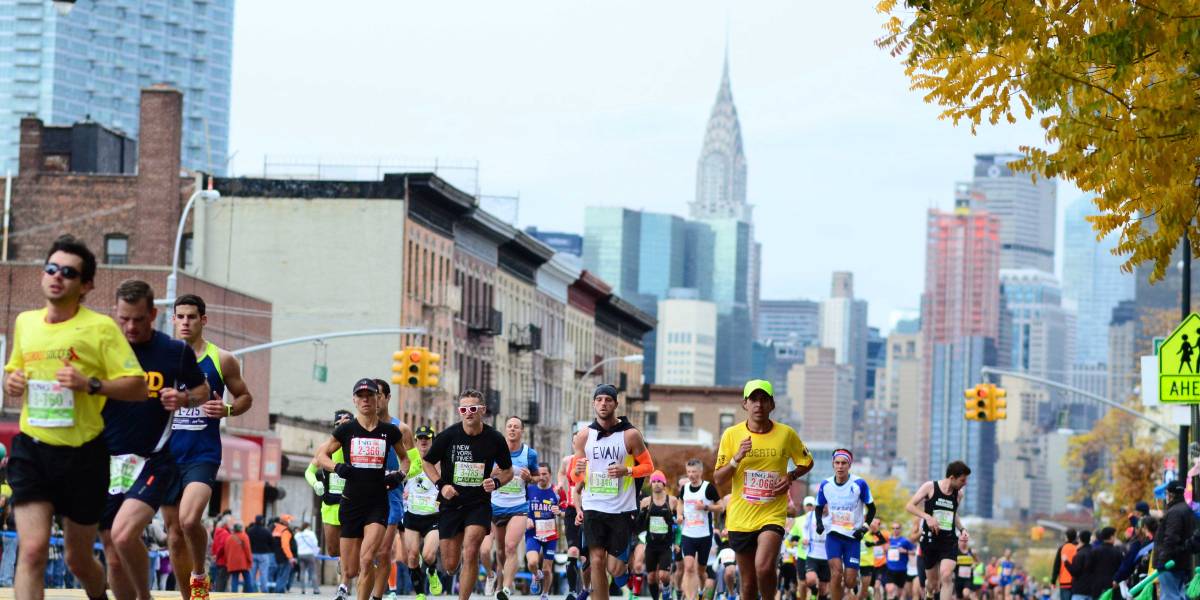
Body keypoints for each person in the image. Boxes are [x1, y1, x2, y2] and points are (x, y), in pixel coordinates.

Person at [3, 235, 149, 600]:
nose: (57, 277)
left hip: (83, 456)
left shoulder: (100, 328)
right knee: (33, 550)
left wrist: (91, 384)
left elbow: (138, 386)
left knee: (77, 558)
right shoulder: (25, 323)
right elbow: (13, 374)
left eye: (68, 272)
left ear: (85, 285)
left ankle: (98, 594)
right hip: (32, 450)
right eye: (51, 269)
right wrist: (12, 382)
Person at [98, 280, 210, 600]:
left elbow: (202, 391)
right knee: (114, 557)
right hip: (107, 461)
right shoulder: (105, 349)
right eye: (124, 319)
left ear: (153, 314)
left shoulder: (174, 352)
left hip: (152, 460)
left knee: (123, 535)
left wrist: (183, 398)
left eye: (138, 319)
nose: (130, 326)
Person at [164, 293, 254, 600]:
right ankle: (188, 596)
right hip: (166, 455)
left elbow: (245, 397)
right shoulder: (164, 356)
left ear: (203, 320)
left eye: (192, 317)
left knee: (189, 520)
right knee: (174, 535)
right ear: (173, 319)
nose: (185, 322)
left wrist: (227, 409)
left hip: (203, 454)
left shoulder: (222, 359)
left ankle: (200, 574)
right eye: (180, 317)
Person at [714, 380, 814, 600]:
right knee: (748, 585)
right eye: (753, 400)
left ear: (771, 405)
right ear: (745, 404)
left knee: (764, 567)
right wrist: (735, 459)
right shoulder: (731, 435)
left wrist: (790, 476)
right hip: (741, 517)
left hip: (772, 513)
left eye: (763, 399)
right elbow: (719, 479)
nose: (758, 404)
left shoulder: (786, 434)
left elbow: (807, 461)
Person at [315, 379, 410, 600]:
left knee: (368, 559)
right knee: (350, 570)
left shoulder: (389, 431)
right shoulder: (347, 429)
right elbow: (321, 456)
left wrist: (400, 475)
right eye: (361, 396)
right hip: (351, 502)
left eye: (370, 395)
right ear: (355, 400)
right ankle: (362, 585)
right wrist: (337, 467)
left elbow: (405, 459)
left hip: (378, 503)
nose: (366, 400)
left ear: (378, 399)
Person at [422, 389, 513, 600]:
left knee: (471, 551)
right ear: (459, 411)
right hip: (451, 504)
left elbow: (508, 471)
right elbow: (427, 462)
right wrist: (441, 485)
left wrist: (496, 482)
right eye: (464, 409)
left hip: (478, 504)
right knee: (451, 565)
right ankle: (438, 570)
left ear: (482, 410)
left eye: (473, 409)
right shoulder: (448, 436)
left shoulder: (495, 439)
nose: (468, 413)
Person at [572, 383, 656, 600]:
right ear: (593, 403)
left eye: (608, 400)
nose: (603, 403)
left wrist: (626, 470)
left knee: (615, 568)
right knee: (596, 559)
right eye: (599, 399)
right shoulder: (583, 436)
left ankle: (623, 570)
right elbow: (575, 476)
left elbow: (648, 467)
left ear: (616, 404)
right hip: (593, 506)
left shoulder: (630, 435)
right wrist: (578, 471)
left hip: (621, 509)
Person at [365, 379, 416, 600]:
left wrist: (398, 476)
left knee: (384, 552)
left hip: (391, 496)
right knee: (365, 554)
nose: (374, 400)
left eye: (378, 395)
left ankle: (377, 596)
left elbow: (416, 464)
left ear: (387, 398)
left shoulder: (401, 429)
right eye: (370, 395)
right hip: (364, 496)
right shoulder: (361, 427)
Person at [815, 449, 875, 600]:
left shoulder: (859, 484)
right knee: (835, 574)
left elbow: (872, 508)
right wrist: (819, 523)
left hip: (852, 537)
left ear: (849, 465)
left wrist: (864, 528)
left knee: (849, 582)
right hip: (833, 534)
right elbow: (818, 506)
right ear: (833, 464)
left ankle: (856, 580)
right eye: (837, 463)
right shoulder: (826, 484)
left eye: (844, 463)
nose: (840, 466)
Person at [905, 461, 971, 600]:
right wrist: (927, 517)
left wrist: (962, 529)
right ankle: (929, 593)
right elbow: (910, 506)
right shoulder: (930, 487)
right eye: (963, 480)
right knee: (933, 584)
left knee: (946, 575)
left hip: (949, 540)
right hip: (930, 540)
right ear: (952, 477)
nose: (965, 483)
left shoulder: (959, 494)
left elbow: (954, 515)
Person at [491, 416, 538, 600]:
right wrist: (491, 473)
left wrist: (529, 479)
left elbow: (536, 477)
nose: (512, 429)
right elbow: (483, 474)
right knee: (501, 551)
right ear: (505, 430)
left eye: (516, 427)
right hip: (496, 505)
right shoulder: (494, 451)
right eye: (509, 426)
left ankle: (507, 589)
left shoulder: (529, 454)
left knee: (511, 547)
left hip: (518, 505)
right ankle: (500, 581)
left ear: (521, 431)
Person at [308, 408, 354, 594]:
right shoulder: (325, 448)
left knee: (347, 549)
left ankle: (344, 583)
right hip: (330, 505)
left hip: (352, 504)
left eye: (347, 425)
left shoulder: (357, 448)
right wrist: (315, 484)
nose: (342, 428)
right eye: (338, 425)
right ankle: (343, 563)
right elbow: (309, 471)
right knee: (334, 550)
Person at [403, 425, 444, 600]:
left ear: (433, 440)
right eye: (420, 438)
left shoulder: (440, 462)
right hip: (412, 514)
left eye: (427, 438)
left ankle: (432, 572)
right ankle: (420, 593)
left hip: (433, 516)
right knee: (412, 557)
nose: (423, 441)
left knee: (428, 555)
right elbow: (399, 475)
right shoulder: (410, 460)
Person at [678, 459, 723, 600]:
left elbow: (721, 507)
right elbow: (680, 502)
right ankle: (692, 597)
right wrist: (679, 514)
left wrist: (706, 507)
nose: (691, 475)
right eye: (689, 472)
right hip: (688, 533)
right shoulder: (685, 488)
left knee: (701, 570)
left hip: (704, 534)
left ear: (700, 472)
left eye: (694, 472)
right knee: (689, 567)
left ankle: (703, 590)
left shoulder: (708, 488)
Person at [639, 471, 679, 600]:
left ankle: (666, 588)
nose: (656, 484)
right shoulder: (646, 501)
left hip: (666, 545)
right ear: (651, 484)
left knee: (663, 575)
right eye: (654, 481)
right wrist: (642, 515)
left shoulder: (672, 501)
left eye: (659, 481)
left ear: (664, 483)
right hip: (650, 544)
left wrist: (677, 542)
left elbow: (679, 524)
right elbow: (639, 525)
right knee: (651, 577)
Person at [526, 462, 562, 600]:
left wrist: (559, 512)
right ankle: (536, 574)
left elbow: (566, 511)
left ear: (550, 475)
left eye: (544, 474)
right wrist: (526, 518)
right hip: (533, 533)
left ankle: (545, 594)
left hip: (550, 534)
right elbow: (521, 506)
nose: (541, 477)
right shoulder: (529, 490)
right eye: (539, 474)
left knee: (547, 569)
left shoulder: (557, 492)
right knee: (532, 563)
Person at [1155, 480, 1195, 600]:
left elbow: (1171, 538)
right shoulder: (1186, 509)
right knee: (1180, 595)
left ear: (1170, 494)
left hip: (1170, 564)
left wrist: (1162, 561)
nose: (1166, 497)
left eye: (1166, 493)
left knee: (1169, 596)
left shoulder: (1174, 512)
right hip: (1182, 562)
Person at [559, 453, 586, 600]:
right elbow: (561, 473)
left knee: (586, 556)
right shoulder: (568, 460)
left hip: (591, 509)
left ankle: (587, 588)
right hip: (571, 509)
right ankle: (572, 590)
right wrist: (560, 486)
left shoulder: (593, 459)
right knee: (573, 550)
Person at [1067, 527, 1122, 600]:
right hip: (1112, 587)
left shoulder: (1095, 551)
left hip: (1096, 588)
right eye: (1115, 536)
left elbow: (1088, 568)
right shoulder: (1117, 552)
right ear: (1111, 537)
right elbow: (1121, 569)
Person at [884, 523, 915, 600]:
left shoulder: (905, 541)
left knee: (899, 593)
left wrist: (905, 551)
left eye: (897, 528)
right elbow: (883, 551)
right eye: (893, 528)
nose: (895, 530)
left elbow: (914, 552)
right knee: (890, 589)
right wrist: (885, 549)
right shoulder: (888, 540)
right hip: (890, 569)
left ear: (900, 529)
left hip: (902, 570)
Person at [859, 519, 887, 600]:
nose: (874, 524)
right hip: (860, 562)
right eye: (873, 522)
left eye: (877, 523)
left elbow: (886, 542)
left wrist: (873, 544)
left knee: (876, 587)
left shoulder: (881, 533)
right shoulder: (862, 529)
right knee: (859, 588)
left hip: (877, 565)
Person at [247, 515, 275, 594]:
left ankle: (251, 589)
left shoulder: (250, 531)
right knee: (264, 573)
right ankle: (264, 590)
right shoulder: (266, 531)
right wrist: (269, 549)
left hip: (252, 554)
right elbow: (272, 542)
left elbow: (247, 542)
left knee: (252, 573)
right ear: (262, 521)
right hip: (263, 554)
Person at [224, 523, 253, 593]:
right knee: (247, 578)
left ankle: (234, 595)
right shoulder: (244, 536)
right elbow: (247, 550)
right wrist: (250, 560)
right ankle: (250, 593)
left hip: (232, 562)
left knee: (234, 579)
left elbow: (226, 551)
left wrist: (227, 562)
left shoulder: (229, 538)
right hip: (243, 562)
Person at [271, 515, 296, 594]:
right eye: (290, 520)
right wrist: (290, 557)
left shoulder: (277, 529)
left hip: (278, 555)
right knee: (284, 575)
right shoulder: (285, 531)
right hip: (285, 557)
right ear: (286, 521)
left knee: (280, 574)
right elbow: (285, 545)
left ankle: (278, 590)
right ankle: (279, 590)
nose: (291, 522)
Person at [295, 521, 321, 595]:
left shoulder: (297, 534)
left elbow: (296, 544)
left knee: (302, 572)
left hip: (300, 554)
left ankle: (303, 589)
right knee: (313, 572)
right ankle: (316, 590)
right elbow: (315, 543)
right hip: (309, 554)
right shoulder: (311, 533)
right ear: (308, 526)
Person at [1050, 529, 1077, 600]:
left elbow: (1056, 566)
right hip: (1076, 582)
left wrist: (1053, 581)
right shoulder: (1078, 548)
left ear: (1066, 537)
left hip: (1064, 582)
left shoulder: (1062, 548)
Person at [210, 515, 232, 592]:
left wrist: (215, 555)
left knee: (219, 579)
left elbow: (215, 545)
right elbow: (222, 546)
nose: (231, 523)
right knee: (222, 582)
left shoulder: (217, 532)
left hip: (219, 560)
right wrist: (217, 555)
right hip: (224, 560)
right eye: (230, 522)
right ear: (226, 523)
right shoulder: (225, 533)